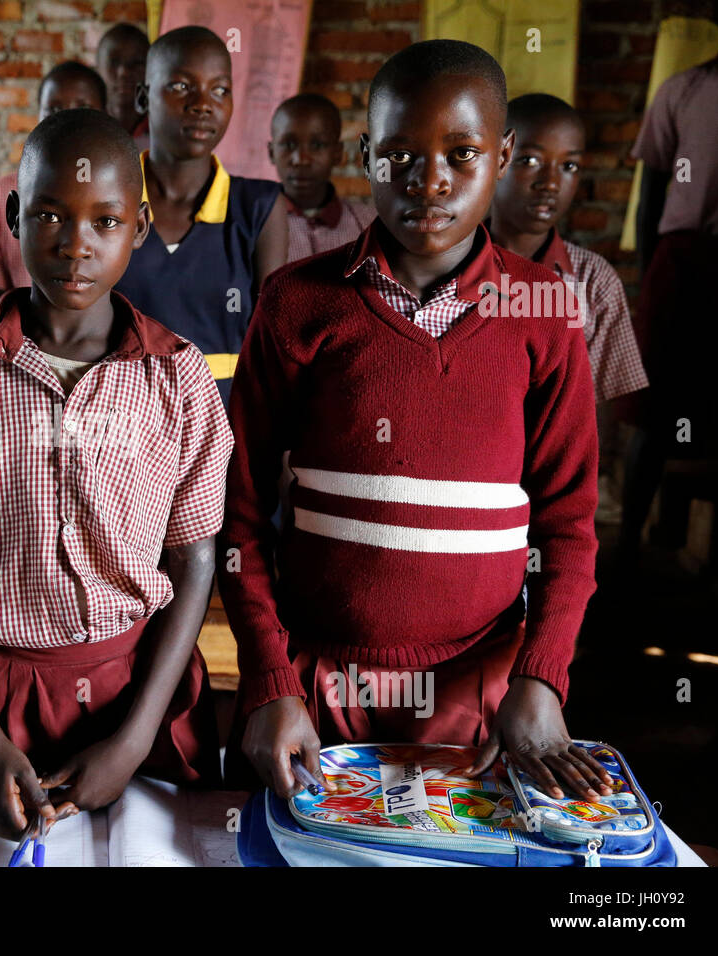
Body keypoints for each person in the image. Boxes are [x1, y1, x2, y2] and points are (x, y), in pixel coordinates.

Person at [218, 40, 613, 804]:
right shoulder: (298, 302)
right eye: (398, 154)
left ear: (500, 157)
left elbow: (570, 522)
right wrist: (269, 678)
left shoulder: (546, 311)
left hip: (482, 688)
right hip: (314, 686)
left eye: (460, 155)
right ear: (366, 156)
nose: (427, 181)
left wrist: (542, 676)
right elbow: (236, 513)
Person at [0, 109, 233, 836]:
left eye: (104, 221)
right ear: (15, 217)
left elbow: (196, 555)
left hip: (139, 691)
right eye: (50, 214)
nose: (76, 245)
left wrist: (136, 738)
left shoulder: (180, 379)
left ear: (138, 228)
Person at [488, 93, 648, 523]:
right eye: (531, 161)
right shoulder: (449, 269)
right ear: (494, 160)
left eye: (569, 166)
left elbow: (602, 411)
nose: (551, 183)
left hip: (550, 493)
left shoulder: (594, 281)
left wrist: (584, 493)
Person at [113, 26, 288, 405]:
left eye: (220, 90)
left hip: (223, 428)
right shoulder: (111, 200)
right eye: (180, 86)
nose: (202, 103)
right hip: (119, 425)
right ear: (143, 97)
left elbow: (270, 343)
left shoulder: (258, 207)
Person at [619, 5, 718, 563]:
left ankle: (703, 550)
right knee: (657, 411)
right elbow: (653, 195)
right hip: (682, 264)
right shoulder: (684, 90)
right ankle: (629, 544)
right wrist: (649, 278)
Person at [0, 60, 106, 303]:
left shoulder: (119, 194)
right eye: (54, 110)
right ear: (38, 115)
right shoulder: (5, 192)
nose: (67, 119)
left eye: (83, 108)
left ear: (105, 116)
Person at [268, 92, 375, 262]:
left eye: (317, 145)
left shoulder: (370, 226)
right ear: (271, 152)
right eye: (288, 144)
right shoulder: (252, 228)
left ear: (337, 153)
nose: (301, 159)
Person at [96, 22, 149, 148]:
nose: (124, 72)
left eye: (136, 63)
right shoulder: (86, 130)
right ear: (98, 69)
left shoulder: (164, 133)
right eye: (113, 63)